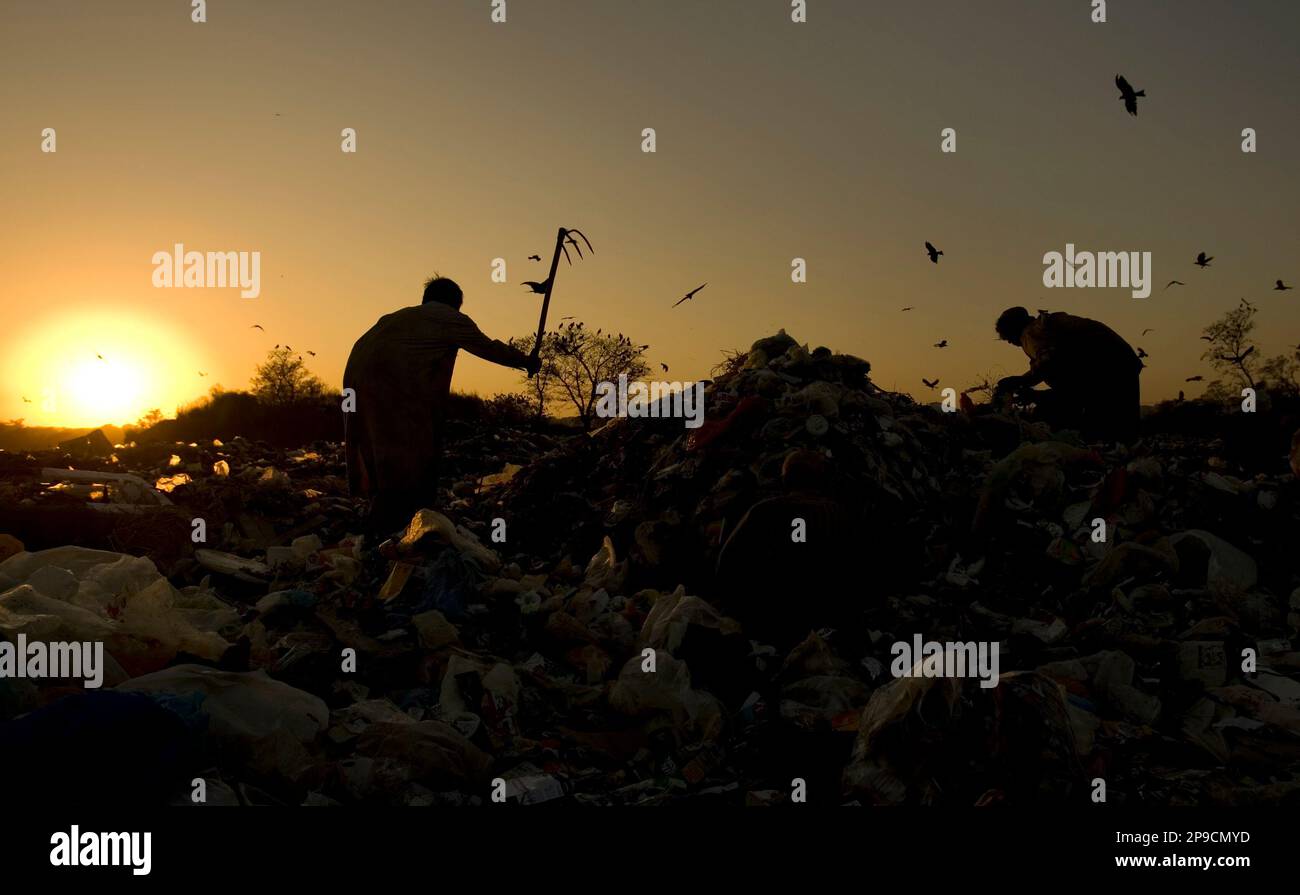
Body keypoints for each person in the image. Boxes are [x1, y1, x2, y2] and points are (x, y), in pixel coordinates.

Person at [344, 276, 539, 531]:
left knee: (375, 448)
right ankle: (399, 521)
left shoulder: (395, 318)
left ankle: (381, 515)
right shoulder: (449, 317)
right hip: (392, 382)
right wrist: (526, 361)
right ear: (455, 303)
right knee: (410, 451)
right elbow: (488, 348)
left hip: (355, 380)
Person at [994, 306, 1142, 441]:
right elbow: (1055, 364)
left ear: (1013, 330)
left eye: (1007, 337)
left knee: (1099, 435)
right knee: (1126, 432)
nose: (1009, 342)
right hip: (1124, 361)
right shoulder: (1049, 326)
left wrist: (1021, 383)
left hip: (1106, 370)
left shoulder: (1030, 333)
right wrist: (1027, 384)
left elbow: (1048, 362)